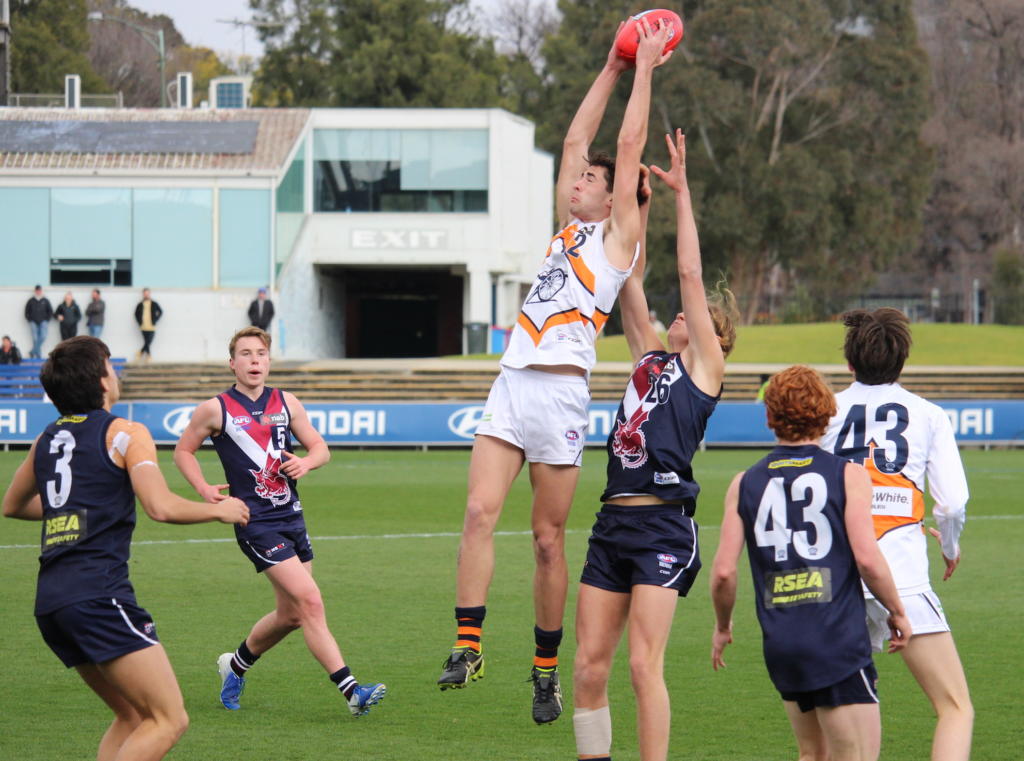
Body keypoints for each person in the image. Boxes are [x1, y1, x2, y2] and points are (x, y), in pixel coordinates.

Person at [436, 19, 675, 725]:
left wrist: (647, 69)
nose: (579, 182)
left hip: (563, 394)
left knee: (546, 539)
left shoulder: (616, 242)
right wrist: (609, 65)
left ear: (616, 198)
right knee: (479, 511)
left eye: (593, 181)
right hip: (512, 382)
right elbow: (578, 141)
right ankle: (469, 644)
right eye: (580, 179)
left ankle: (546, 670)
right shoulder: (566, 231)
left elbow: (626, 146)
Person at [1, 335, 250, 761]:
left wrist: (78, 509)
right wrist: (221, 510)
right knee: (170, 719)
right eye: (109, 367)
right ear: (101, 380)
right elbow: (160, 506)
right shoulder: (126, 432)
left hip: (52, 602)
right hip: (98, 595)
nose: (114, 375)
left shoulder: (46, 439)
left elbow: (12, 505)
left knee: (134, 717)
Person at [572, 130, 737, 761]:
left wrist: (682, 192)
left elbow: (689, 273)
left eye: (694, 320)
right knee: (589, 668)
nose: (680, 317)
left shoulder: (704, 374)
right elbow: (630, 274)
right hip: (612, 522)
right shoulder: (647, 358)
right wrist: (636, 205)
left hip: (664, 528)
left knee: (644, 667)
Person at [173, 327, 386, 717]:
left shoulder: (286, 401)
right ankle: (352, 691)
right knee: (310, 601)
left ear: (269, 360)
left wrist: (306, 461)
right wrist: (204, 488)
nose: (255, 361)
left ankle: (234, 665)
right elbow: (183, 451)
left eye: (261, 354)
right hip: (254, 522)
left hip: (292, 517)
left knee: (290, 615)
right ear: (232, 362)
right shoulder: (215, 409)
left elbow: (320, 447)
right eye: (246, 354)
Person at [710, 364, 912, 761]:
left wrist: (722, 625)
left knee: (812, 753)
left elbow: (722, 572)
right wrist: (897, 610)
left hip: (783, 642)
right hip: (835, 638)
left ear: (769, 417)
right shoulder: (848, 475)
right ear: (827, 413)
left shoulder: (744, 482)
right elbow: (868, 559)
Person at [820, 308, 973, 761]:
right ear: (902, 360)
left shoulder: (827, 410)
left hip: (836, 578)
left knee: (845, 721)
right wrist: (949, 546)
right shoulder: (928, 415)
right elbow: (953, 503)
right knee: (955, 708)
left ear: (850, 363)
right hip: (900, 576)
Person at [24, 285, 53, 359]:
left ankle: (32, 351)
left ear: (41, 291)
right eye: (37, 290)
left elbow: (50, 311)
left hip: (43, 321)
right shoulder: (31, 300)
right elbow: (26, 311)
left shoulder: (45, 300)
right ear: (35, 291)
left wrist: (47, 319)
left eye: (39, 290)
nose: (38, 291)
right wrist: (29, 319)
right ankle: (38, 356)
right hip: (33, 321)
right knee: (35, 338)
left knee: (43, 336)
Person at [133, 288, 162, 362]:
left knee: (148, 342)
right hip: (143, 326)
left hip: (151, 325)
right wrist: (139, 322)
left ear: (149, 294)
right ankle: (148, 357)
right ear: (143, 294)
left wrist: (156, 319)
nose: (146, 295)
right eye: (144, 293)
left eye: (147, 293)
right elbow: (136, 314)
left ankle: (140, 353)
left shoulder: (154, 303)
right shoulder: (140, 304)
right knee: (147, 342)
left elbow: (160, 312)